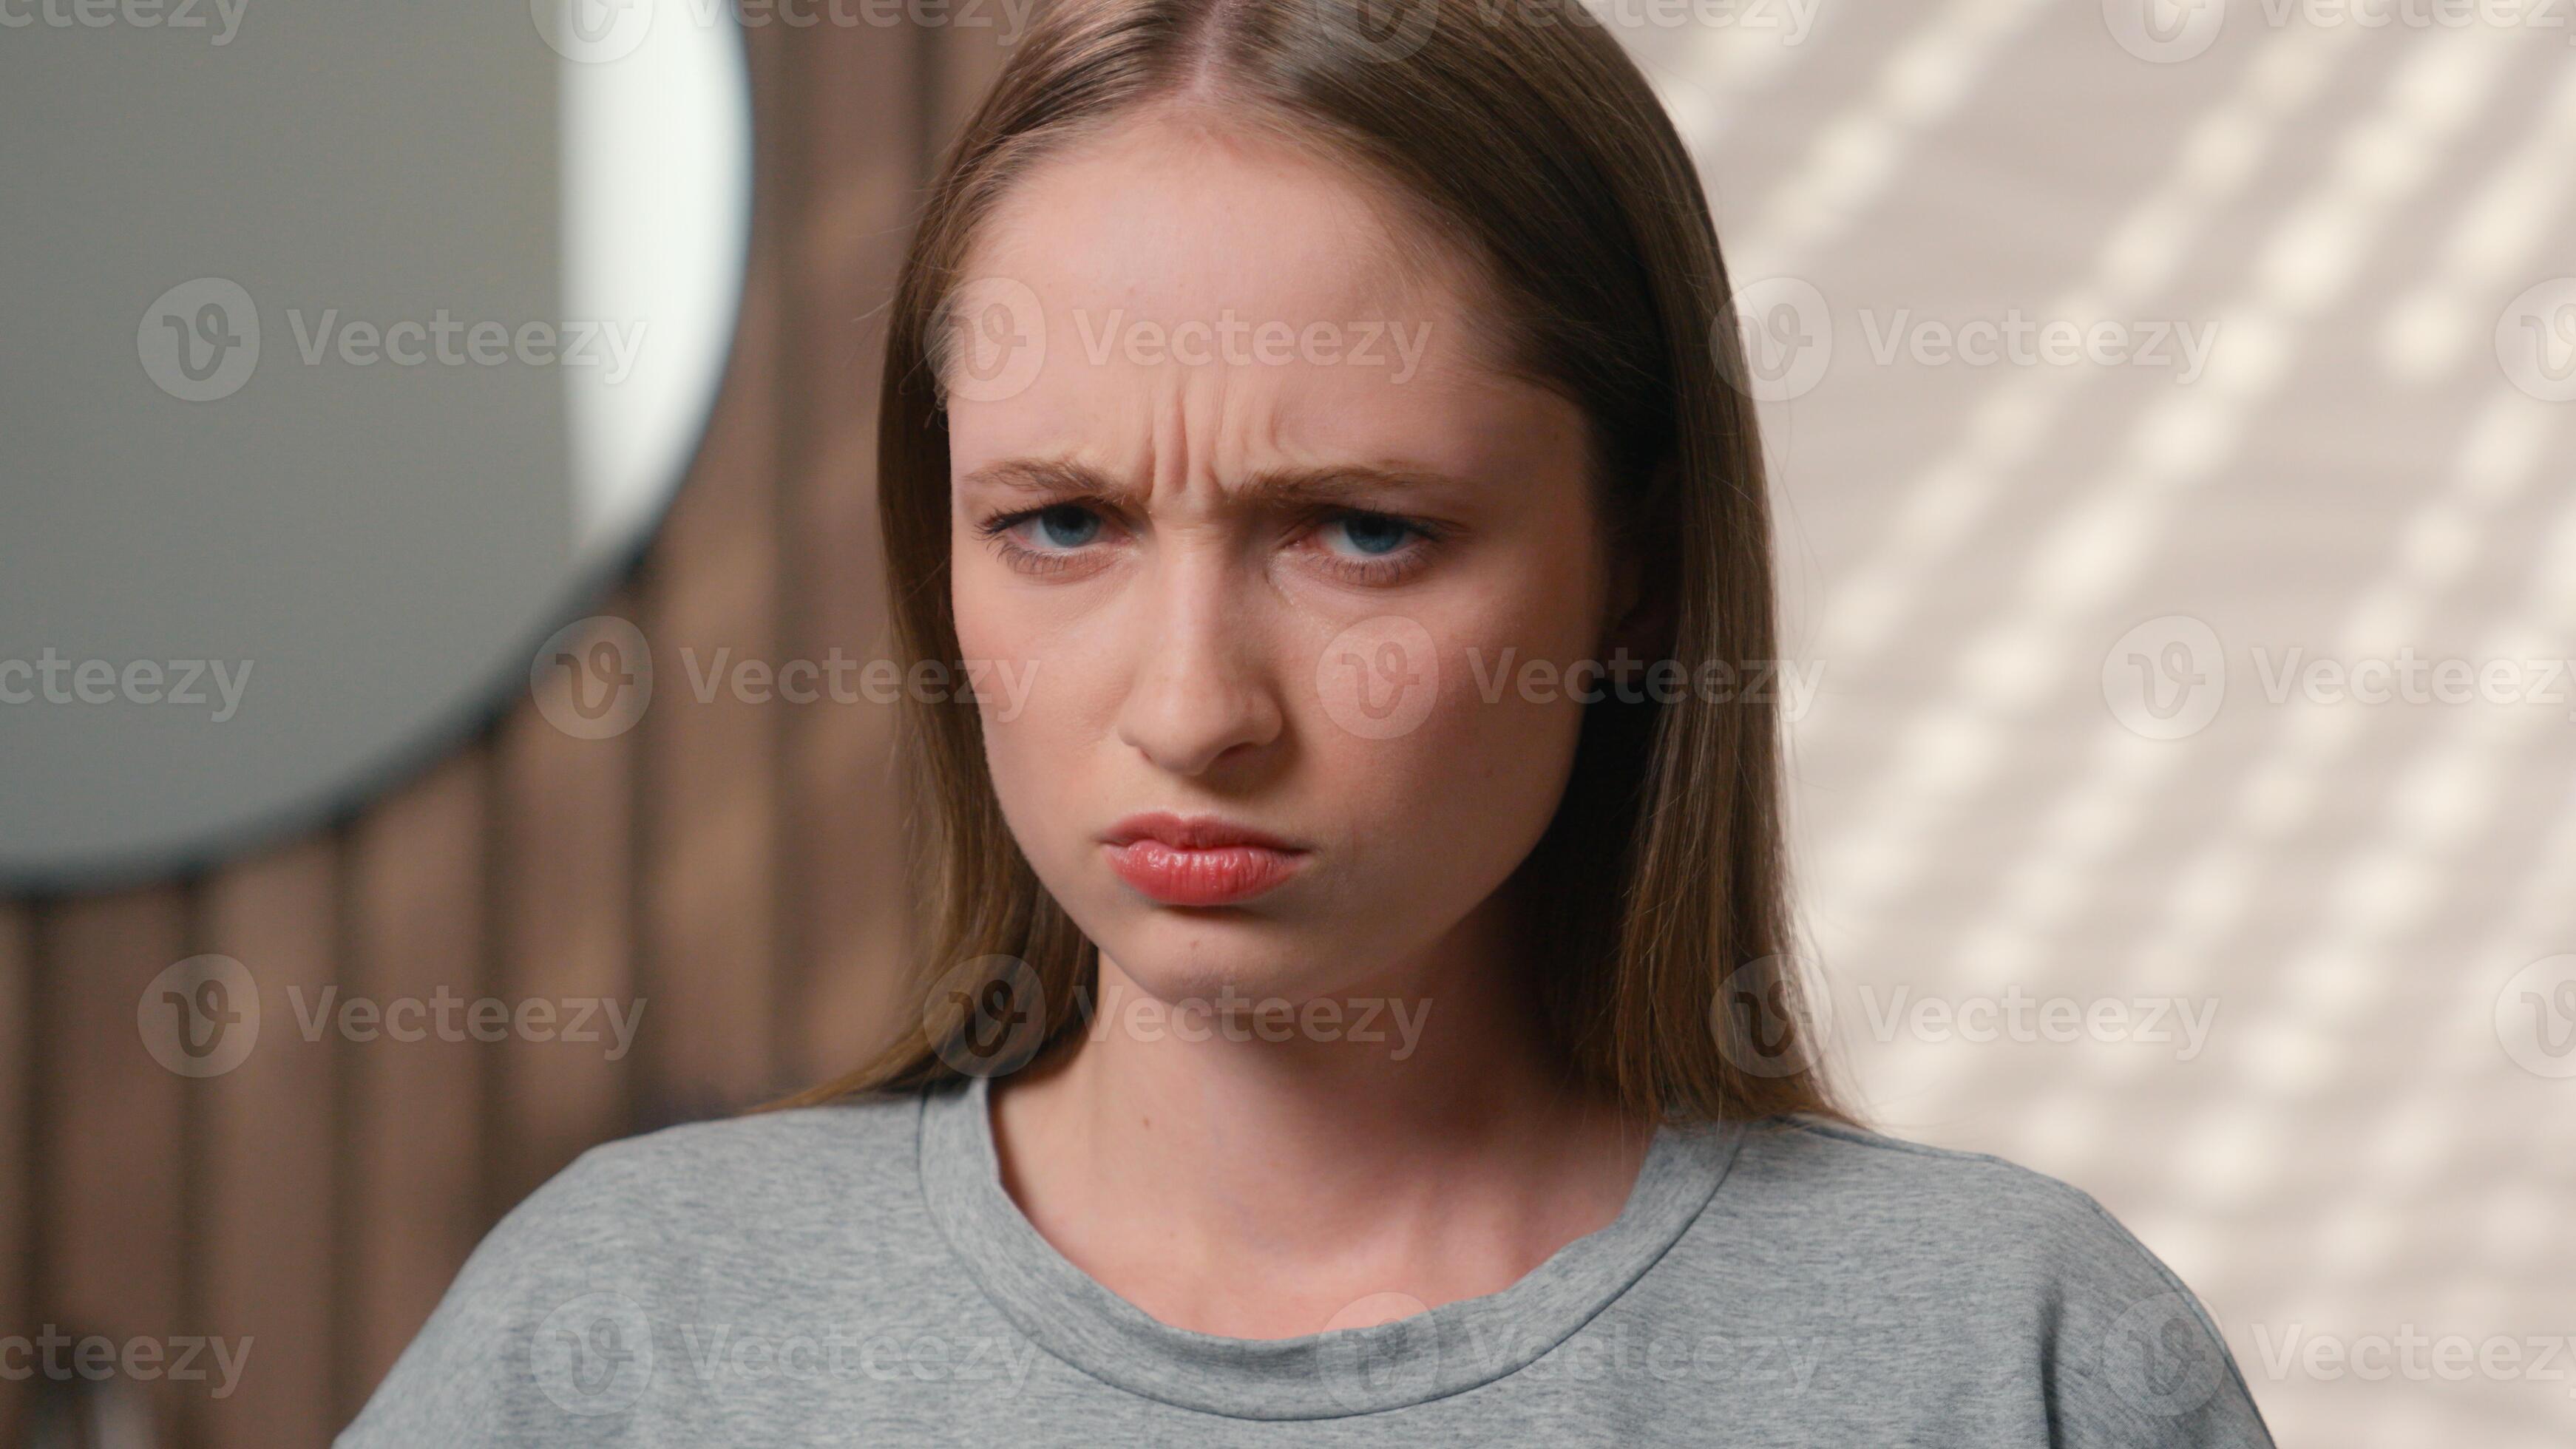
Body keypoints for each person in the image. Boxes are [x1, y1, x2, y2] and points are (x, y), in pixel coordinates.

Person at [342, 0, 2277, 1441]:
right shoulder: (630, 1339)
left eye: (1361, 532)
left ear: (1640, 572)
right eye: (1062, 524)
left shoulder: (2005, 1361)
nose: (1194, 711)